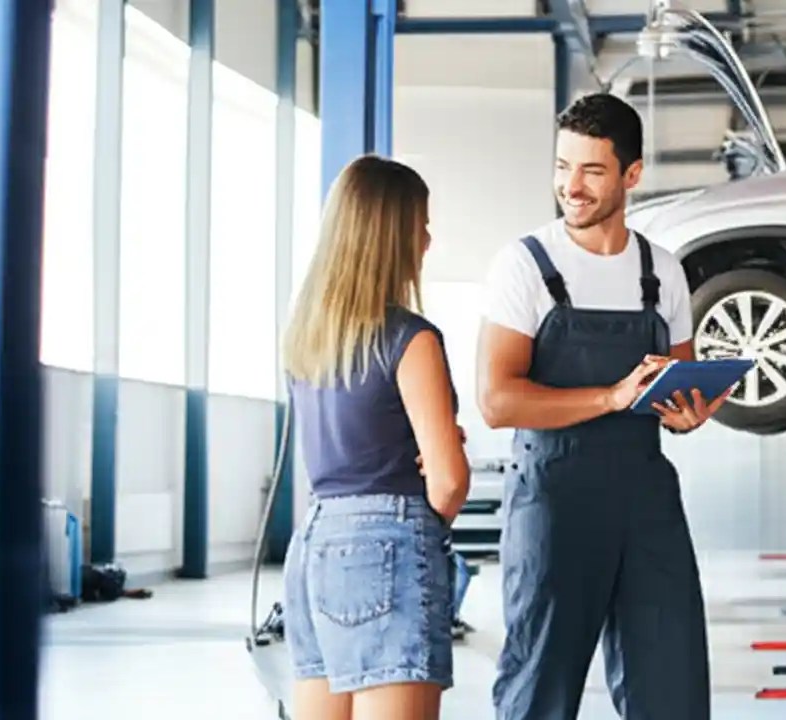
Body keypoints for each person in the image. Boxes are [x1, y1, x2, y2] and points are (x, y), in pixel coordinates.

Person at [477, 92, 726, 720]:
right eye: (563, 167)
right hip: (555, 499)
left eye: (591, 170)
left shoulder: (661, 272)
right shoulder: (525, 265)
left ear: (631, 175)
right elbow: (497, 399)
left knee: (673, 684)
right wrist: (612, 397)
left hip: (646, 498)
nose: (572, 187)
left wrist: (689, 412)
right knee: (541, 687)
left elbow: (679, 382)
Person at [281, 155, 470, 720]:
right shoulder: (411, 339)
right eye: (420, 223)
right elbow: (449, 482)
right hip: (387, 540)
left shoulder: (306, 340)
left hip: (314, 542)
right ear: (391, 233)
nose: (428, 239)